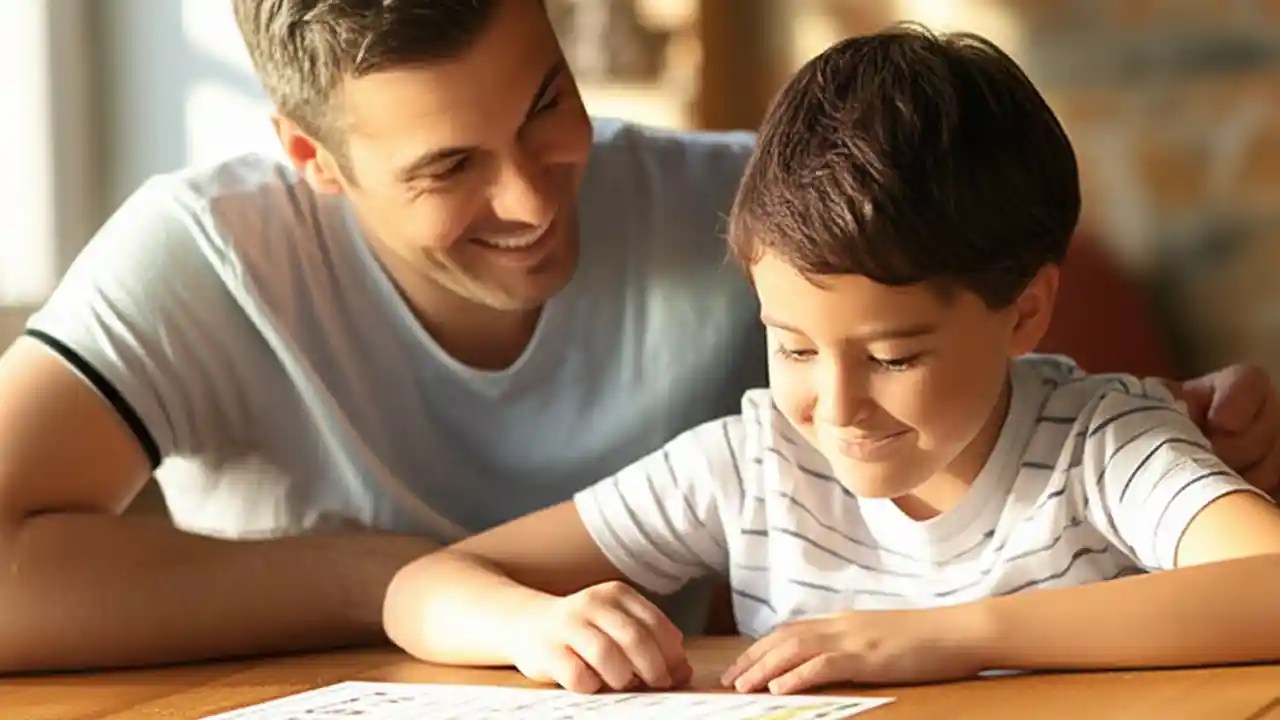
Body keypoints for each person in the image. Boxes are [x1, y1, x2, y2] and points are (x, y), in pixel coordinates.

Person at [0, 0, 1273, 674]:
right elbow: (442, 581)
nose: (533, 194)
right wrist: (454, 600)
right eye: (448, 164)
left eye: (548, 100)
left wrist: (1141, 412)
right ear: (309, 160)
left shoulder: (756, 208)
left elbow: (982, 321)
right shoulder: (199, 254)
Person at [382, 25, 1280, 696]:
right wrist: (536, 624)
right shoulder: (754, 464)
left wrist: (957, 637)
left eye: (894, 356)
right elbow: (422, 588)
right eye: (795, 346)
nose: (834, 404)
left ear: (1027, 311)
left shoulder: (1100, 445)